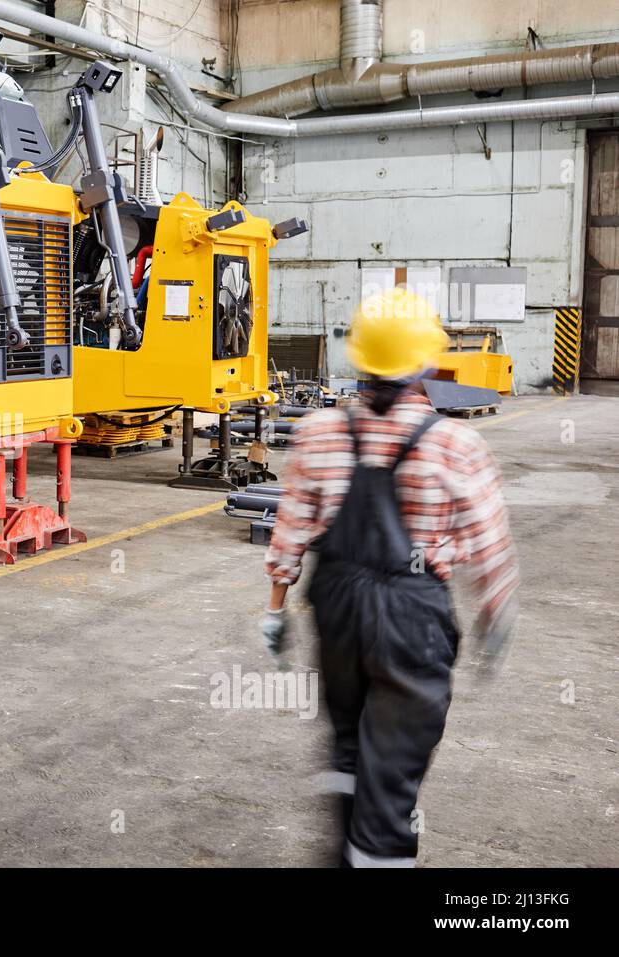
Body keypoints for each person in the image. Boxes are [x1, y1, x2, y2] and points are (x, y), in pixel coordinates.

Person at [261, 288, 519, 867]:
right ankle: (373, 856)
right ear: (426, 364)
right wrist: (495, 616)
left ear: (360, 360)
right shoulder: (457, 444)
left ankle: (344, 851)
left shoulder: (318, 433)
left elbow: (291, 530)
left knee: (348, 741)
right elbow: (488, 544)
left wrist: (275, 610)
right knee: (394, 766)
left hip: (338, 605)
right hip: (412, 613)